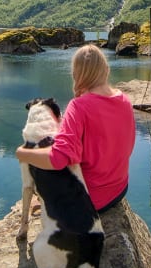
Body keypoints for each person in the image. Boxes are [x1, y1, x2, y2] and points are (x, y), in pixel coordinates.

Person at [16, 44, 134, 213]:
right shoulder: (124, 100)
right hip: (119, 190)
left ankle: (46, 200)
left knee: (41, 153)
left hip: (87, 200)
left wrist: (21, 153)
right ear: (106, 70)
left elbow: (59, 159)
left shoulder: (78, 106)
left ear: (76, 74)